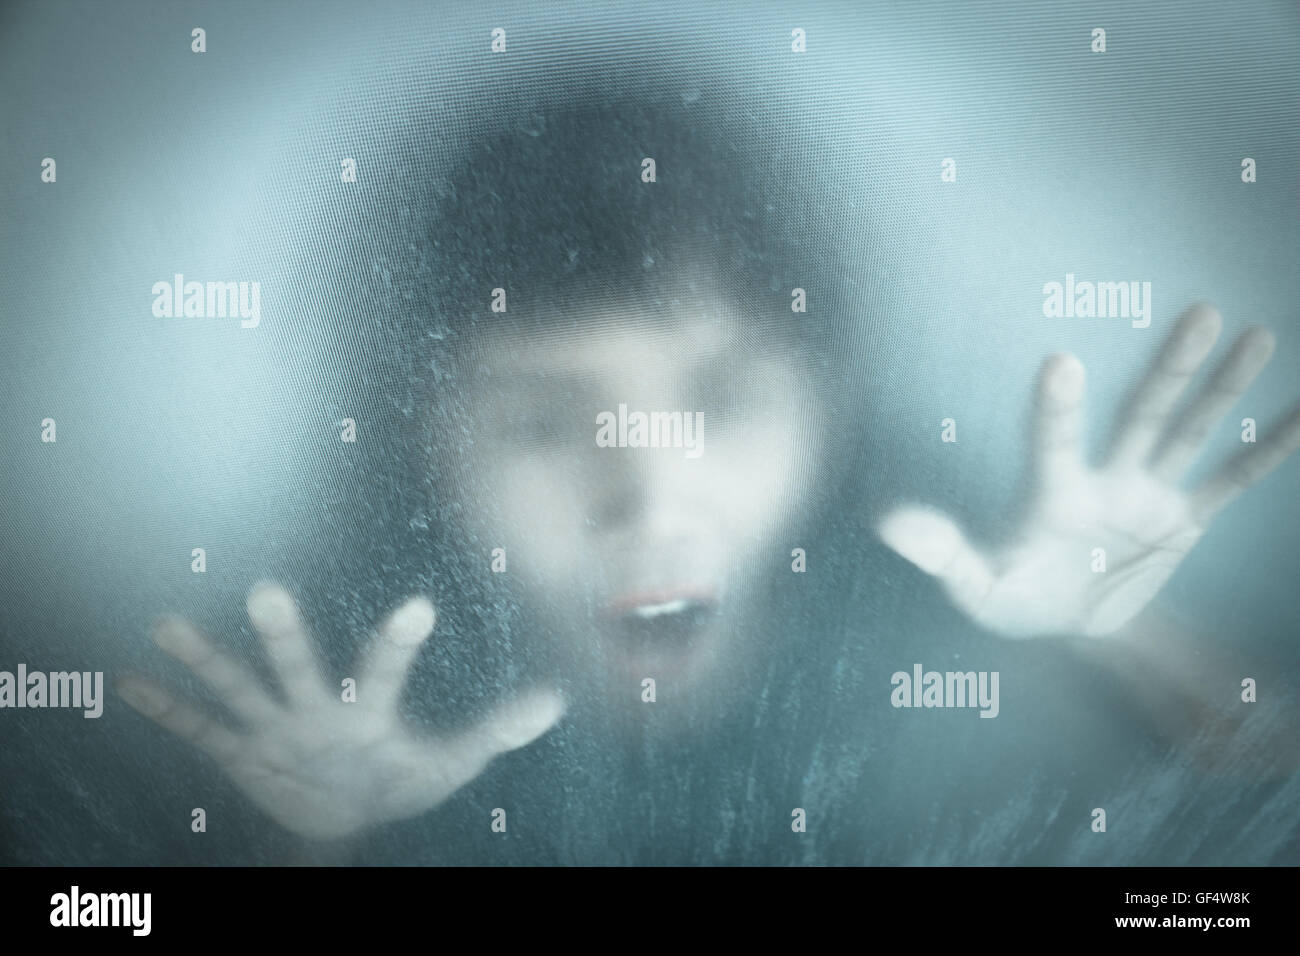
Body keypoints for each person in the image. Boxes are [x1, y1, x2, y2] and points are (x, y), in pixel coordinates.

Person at [115, 91, 1300, 858]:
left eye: (725, 401)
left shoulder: (942, 580)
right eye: (540, 421)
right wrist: (308, 838)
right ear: (422, 457)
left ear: (833, 410)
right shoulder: (309, 674)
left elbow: (1264, 766)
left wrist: (1125, 637)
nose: (650, 501)